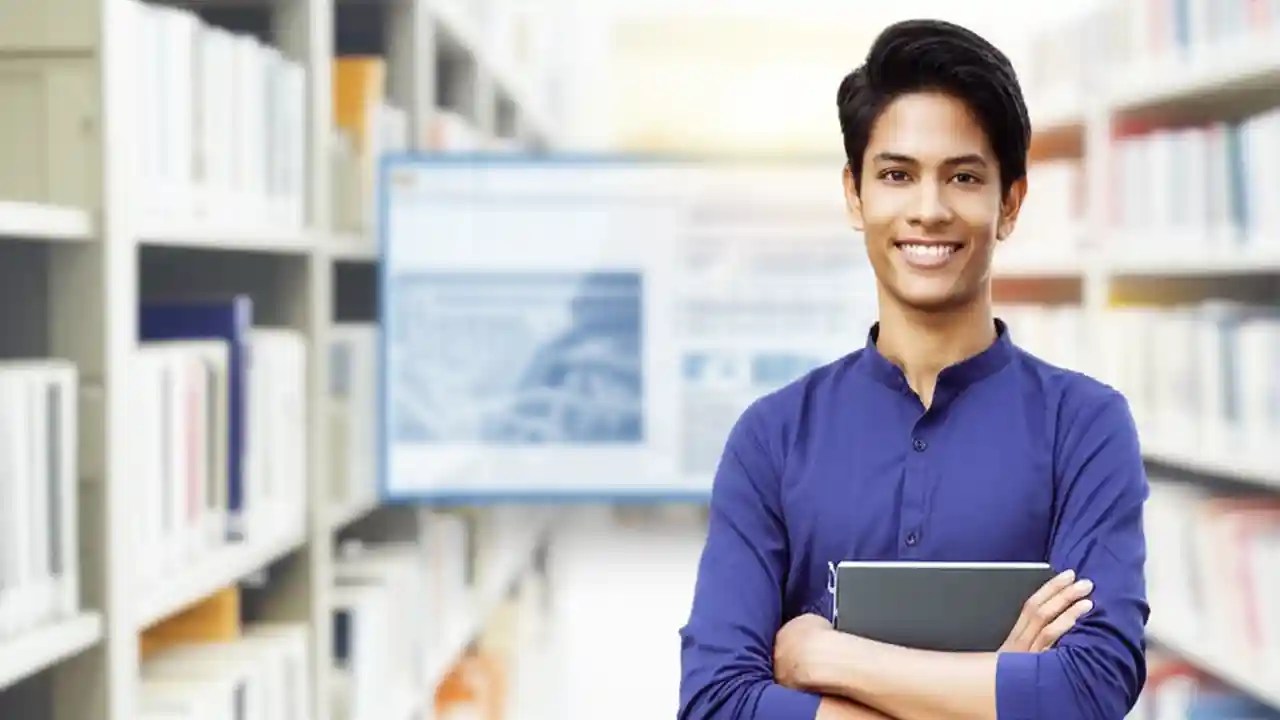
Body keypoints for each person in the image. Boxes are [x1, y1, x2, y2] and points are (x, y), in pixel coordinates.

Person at [677, 18, 1148, 720]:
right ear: (855, 195)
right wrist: (996, 688)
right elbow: (714, 703)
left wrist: (823, 659)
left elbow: (1090, 690)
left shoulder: (1083, 426)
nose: (928, 211)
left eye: (963, 177)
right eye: (896, 175)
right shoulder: (773, 437)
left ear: (1010, 203)